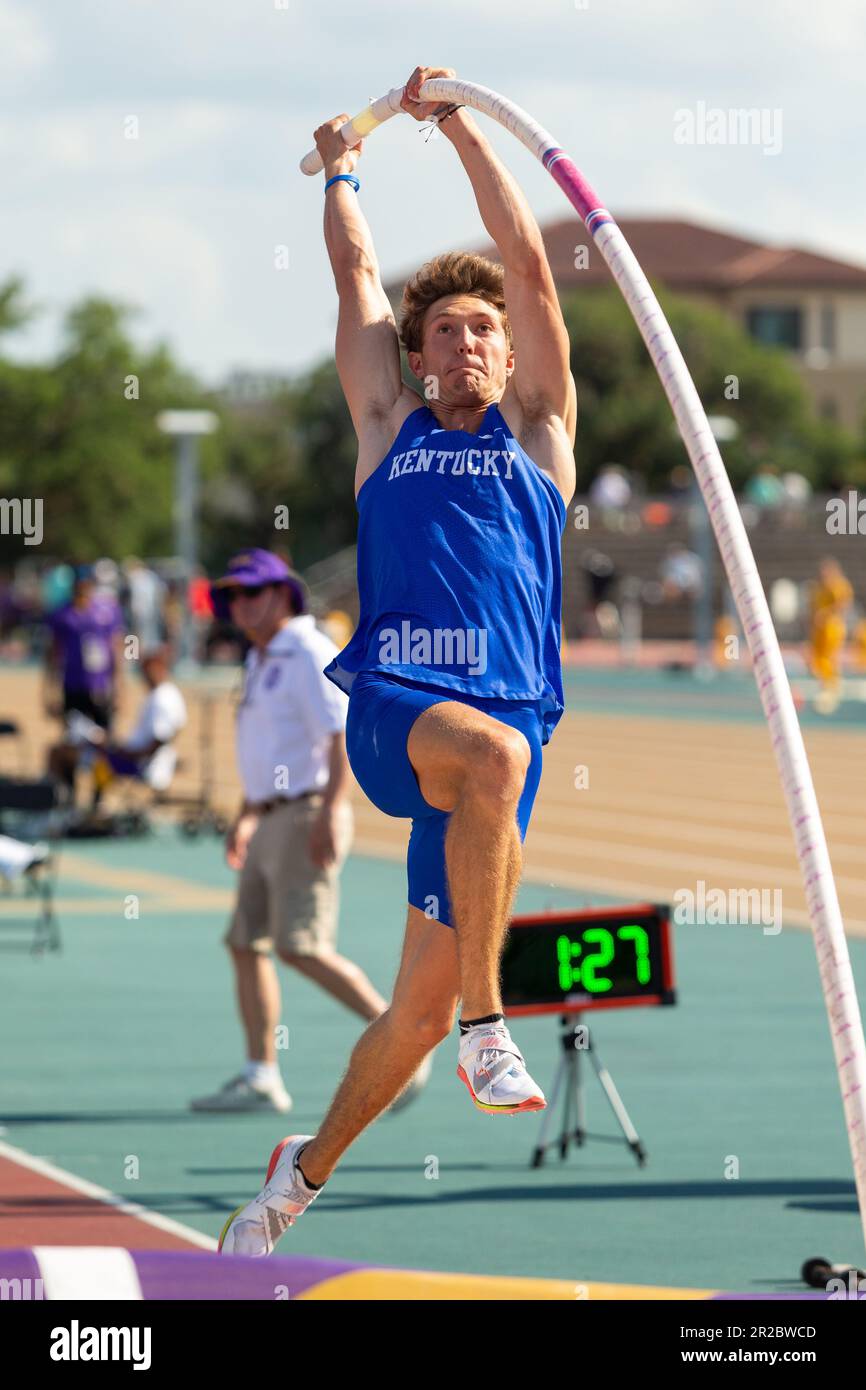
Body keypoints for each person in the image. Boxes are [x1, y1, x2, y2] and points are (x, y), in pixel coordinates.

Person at [219, 64, 576, 1256]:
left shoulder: (539, 436)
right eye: (445, 332)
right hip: (398, 712)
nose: (469, 341)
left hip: (497, 750)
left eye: (483, 330)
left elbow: (528, 266)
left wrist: (463, 127)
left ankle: (297, 1174)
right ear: (414, 361)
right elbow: (357, 275)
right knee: (486, 752)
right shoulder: (390, 430)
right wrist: (347, 167)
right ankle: (492, 1017)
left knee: (407, 1012)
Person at [192, 549, 428, 1116]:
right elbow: (268, 748)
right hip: (270, 814)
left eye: (252, 593)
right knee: (245, 942)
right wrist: (247, 815)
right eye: (234, 596)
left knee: (302, 947)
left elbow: (338, 730)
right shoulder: (261, 657)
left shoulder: (304, 650)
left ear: (281, 593)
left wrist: (328, 812)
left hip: (304, 812)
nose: (241, 606)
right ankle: (261, 1074)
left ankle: (406, 1046)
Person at [47, 644, 186, 806]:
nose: (145, 676)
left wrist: (122, 752)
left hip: (139, 764)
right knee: (76, 747)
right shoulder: (162, 694)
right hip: (135, 756)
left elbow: (157, 742)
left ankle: (72, 805)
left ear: (161, 669)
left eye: (149, 670)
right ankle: (85, 804)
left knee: (65, 753)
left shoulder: (163, 698)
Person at [43, 564, 125, 801]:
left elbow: (118, 648)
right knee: (71, 744)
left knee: (103, 745)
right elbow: (53, 655)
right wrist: (48, 690)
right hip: (73, 687)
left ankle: (98, 797)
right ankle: (70, 793)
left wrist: (120, 688)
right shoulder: (62, 615)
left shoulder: (107, 611)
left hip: (100, 688)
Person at [808, 557, 853, 713]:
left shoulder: (838, 585)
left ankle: (832, 688)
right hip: (819, 629)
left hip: (832, 628)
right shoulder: (818, 587)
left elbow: (843, 605)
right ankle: (826, 686)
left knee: (828, 658)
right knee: (817, 658)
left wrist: (825, 614)